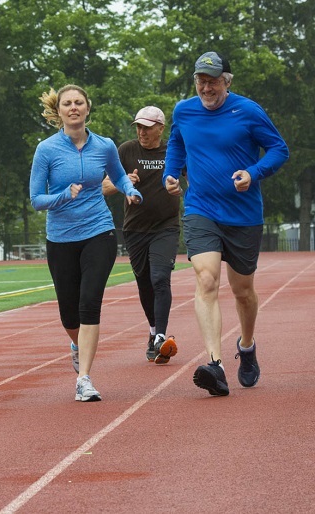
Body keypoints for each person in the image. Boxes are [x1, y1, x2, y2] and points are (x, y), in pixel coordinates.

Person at [163, 51, 289, 397]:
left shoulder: (248, 111)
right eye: (201, 80)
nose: (206, 87)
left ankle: (246, 346)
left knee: (242, 291)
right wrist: (170, 175)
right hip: (201, 209)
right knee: (206, 278)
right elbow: (176, 144)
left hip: (244, 214)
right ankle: (215, 364)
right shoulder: (184, 111)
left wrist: (254, 172)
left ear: (226, 82)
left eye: (213, 80)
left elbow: (279, 149)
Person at [30, 85, 142, 402]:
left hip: (99, 230)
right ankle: (77, 345)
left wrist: (129, 191)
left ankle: (84, 379)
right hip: (61, 237)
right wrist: (64, 195)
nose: (74, 107)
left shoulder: (104, 146)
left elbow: (118, 176)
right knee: (69, 314)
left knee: (89, 301)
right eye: (68, 103)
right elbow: (36, 200)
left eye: (79, 102)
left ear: (88, 108)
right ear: (60, 111)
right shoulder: (47, 150)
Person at [102, 106, 181, 364]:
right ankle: (152, 330)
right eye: (138, 126)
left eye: (147, 127)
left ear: (160, 127)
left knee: (160, 278)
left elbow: (193, 181)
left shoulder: (173, 150)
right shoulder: (126, 150)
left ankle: (160, 337)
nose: (142, 131)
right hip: (135, 229)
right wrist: (123, 181)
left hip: (166, 226)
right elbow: (104, 187)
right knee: (145, 283)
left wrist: (181, 188)